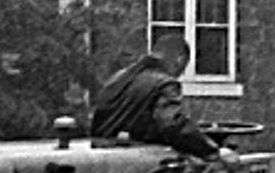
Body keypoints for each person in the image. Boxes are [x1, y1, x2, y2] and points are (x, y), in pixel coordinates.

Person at [90, 35, 222, 159]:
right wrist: (211, 151)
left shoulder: (118, 78)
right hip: (140, 161)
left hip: (101, 157)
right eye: (183, 69)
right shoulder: (164, 83)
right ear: (180, 60)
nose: (179, 74)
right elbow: (172, 125)